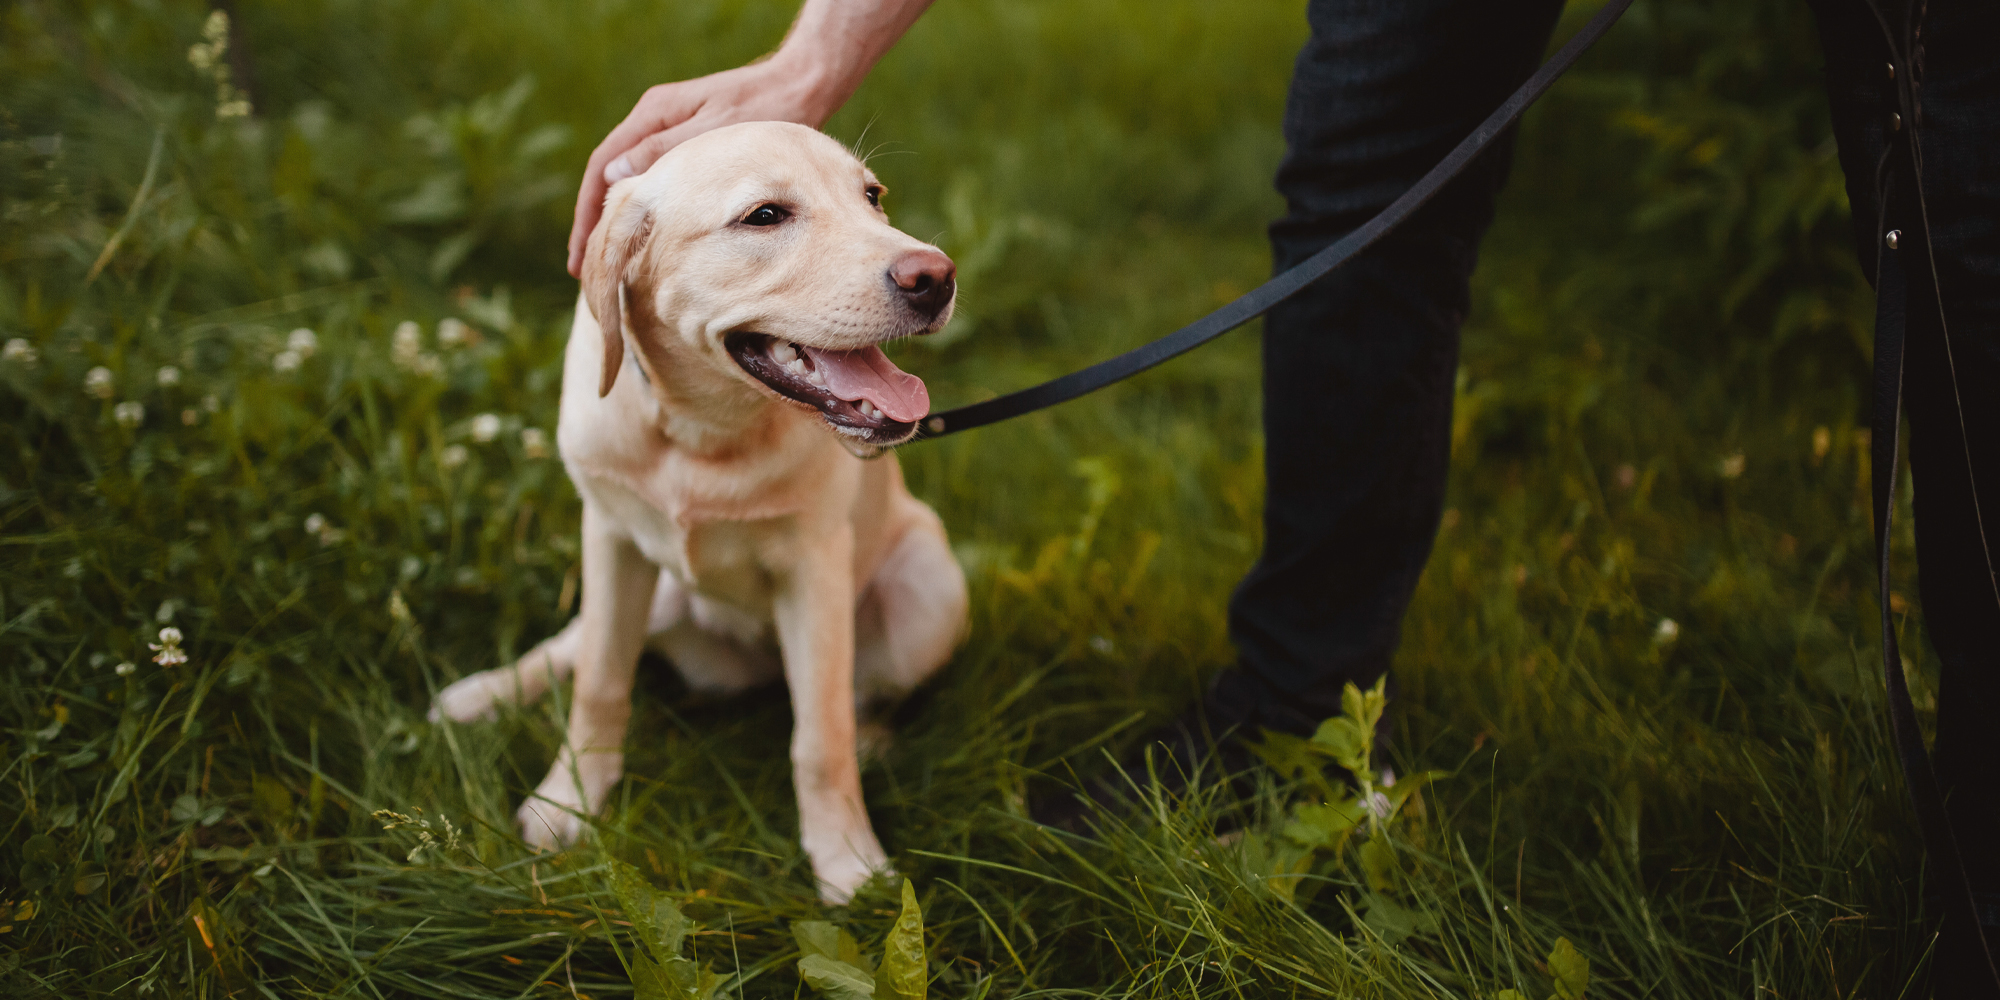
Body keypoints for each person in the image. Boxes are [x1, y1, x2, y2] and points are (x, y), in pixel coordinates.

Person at [567, 0, 1996, 989]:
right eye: (772, 217)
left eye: (870, 200)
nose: (904, 250)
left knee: (1957, 197)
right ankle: (1301, 709)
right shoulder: (615, 373)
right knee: (1362, 179)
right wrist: (819, 48)